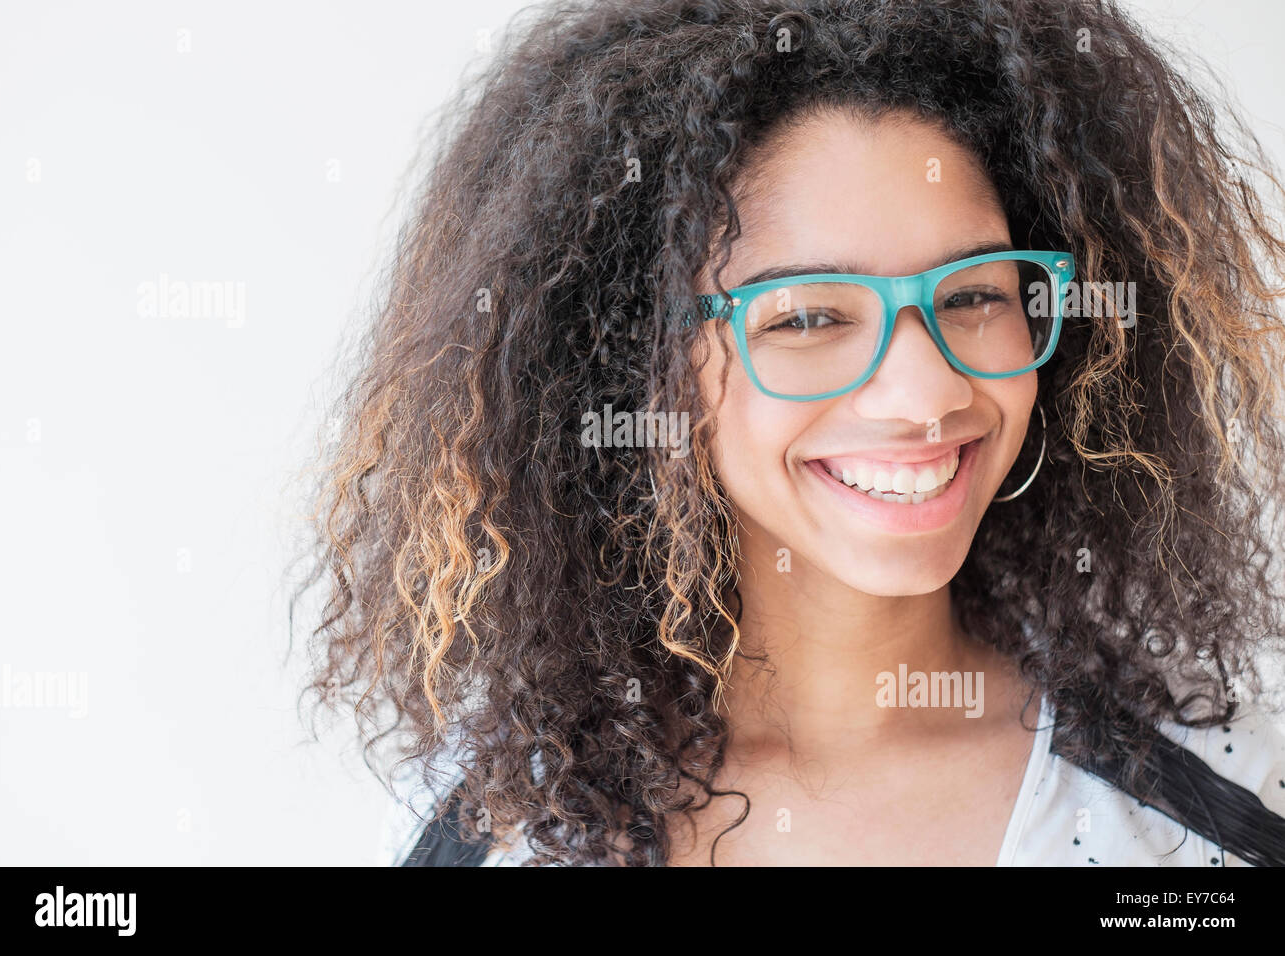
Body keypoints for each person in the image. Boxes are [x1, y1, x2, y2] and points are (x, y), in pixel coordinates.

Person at [296, 0, 1285, 866]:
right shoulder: (491, 824)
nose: (924, 392)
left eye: (976, 293)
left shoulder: (1223, 804)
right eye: (807, 316)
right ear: (632, 359)